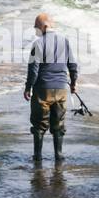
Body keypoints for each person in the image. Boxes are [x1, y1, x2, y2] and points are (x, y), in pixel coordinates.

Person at [23, 12, 77, 162]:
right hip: (61, 90)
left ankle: (38, 156)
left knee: (39, 126)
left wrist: (28, 88)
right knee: (58, 125)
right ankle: (58, 155)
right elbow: (72, 65)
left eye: (37, 28)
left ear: (45, 26)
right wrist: (73, 83)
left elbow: (33, 70)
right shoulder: (65, 41)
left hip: (43, 91)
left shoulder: (38, 44)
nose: (36, 31)